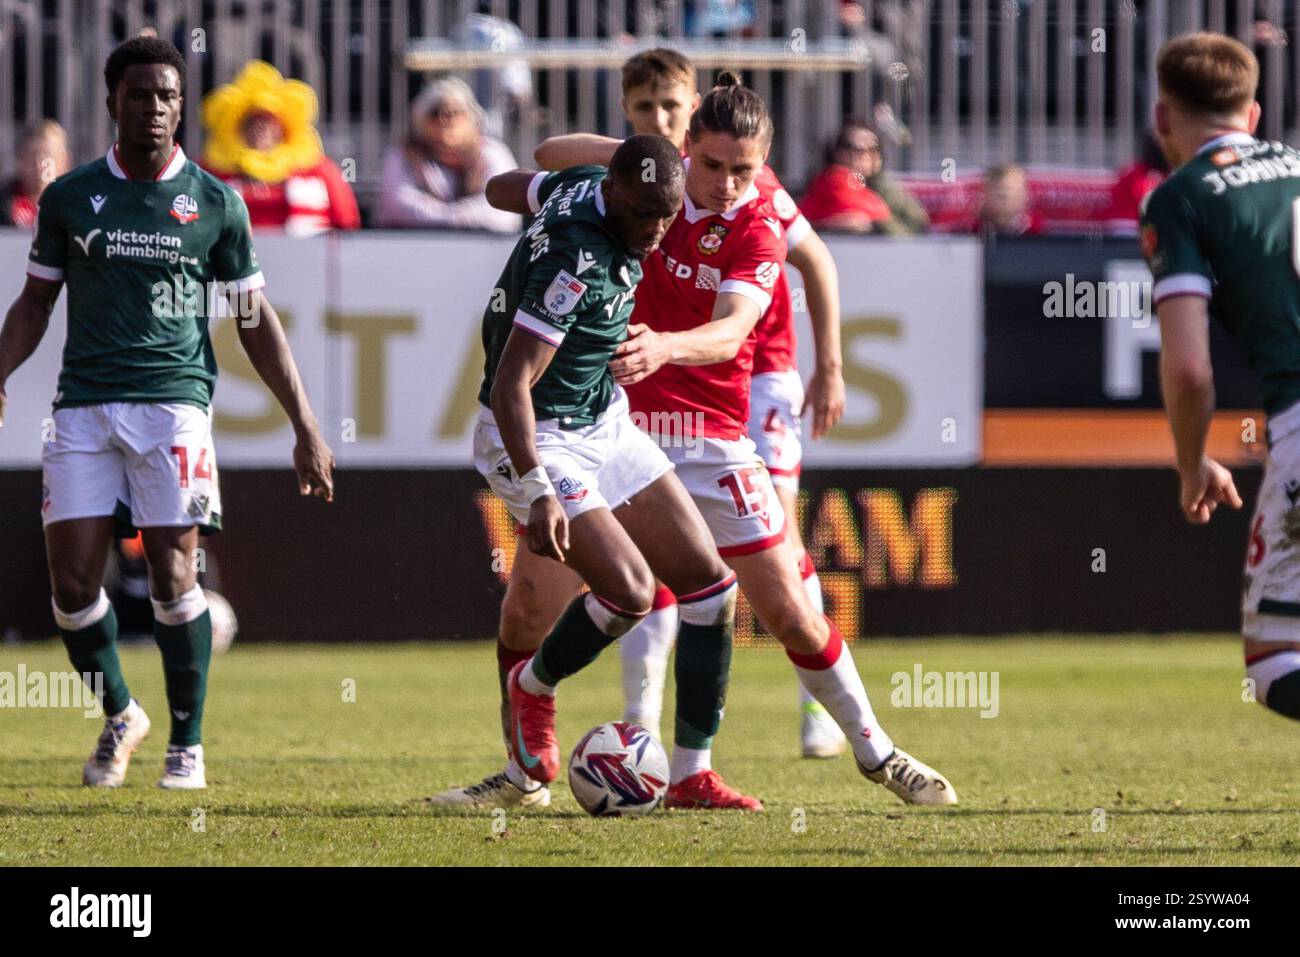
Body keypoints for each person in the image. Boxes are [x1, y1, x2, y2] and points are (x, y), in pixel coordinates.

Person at [435, 74, 957, 811]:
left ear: (765, 162)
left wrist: (669, 347)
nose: (723, 184)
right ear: (686, 152)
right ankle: (525, 770)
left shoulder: (757, 224)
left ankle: (860, 756)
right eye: (709, 167)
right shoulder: (643, 189)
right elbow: (538, 167)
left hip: (707, 433)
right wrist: (634, 161)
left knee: (776, 606)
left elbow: (733, 329)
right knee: (529, 607)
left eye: (743, 169)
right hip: (605, 419)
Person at [0, 37, 335, 789]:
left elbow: (254, 318)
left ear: (182, 106)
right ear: (113, 100)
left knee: (174, 572)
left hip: (174, 406)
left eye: (168, 96)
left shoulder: (216, 203)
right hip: (82, 408)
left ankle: (188, 744)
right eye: (141, 94)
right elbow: (34, 303)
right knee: (74, 585)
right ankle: (121, 711)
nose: (155, 108)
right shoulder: (70, 197)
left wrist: (305, 422)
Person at [467, 134, 757, 810]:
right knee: (630, 592)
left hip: (604, 418)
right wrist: (536, 486)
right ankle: (533, 686)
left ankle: (690, 774)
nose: (656, 233)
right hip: (538, 436)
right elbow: (513, 382)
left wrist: (532, 205)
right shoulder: (579, 261)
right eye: (643, 217)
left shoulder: (586, 180)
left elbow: (503, 188)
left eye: (667, 215)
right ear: (616, 194)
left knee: (711, 587)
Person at [1140, 31, 1300, 722]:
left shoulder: (1180, 199)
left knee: (1275, 663)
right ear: (1254, 114)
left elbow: (1189, 367)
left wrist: (1189, 460)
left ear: (1162, 117)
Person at [202, 61, 359, 235]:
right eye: (252, 121)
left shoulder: (321, 170)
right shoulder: (210, 172)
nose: (261, 128)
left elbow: (346, 222)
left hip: (305, 258)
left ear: (284, 126)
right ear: (237, 127)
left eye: (268, 121)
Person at [376, 76, 521, 233]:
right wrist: (455, 217)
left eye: (455, 112)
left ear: (472, 117)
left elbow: (503, 211)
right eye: (436, 112)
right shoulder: (404, 153)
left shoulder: (492, 152)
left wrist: (453, 216)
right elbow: (398, 208)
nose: (446, 119)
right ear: (420, 119)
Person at [2, 121, 71, 228]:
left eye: (48, 157)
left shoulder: (81, 205)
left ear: (64, 162)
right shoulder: (4, 203)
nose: (39, 166)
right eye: (32, 157)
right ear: (19, 161)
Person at [966, 163, 1044, 238]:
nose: (1008, 199)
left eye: (1015, 192)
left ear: (1025, 196)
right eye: (1001, 195)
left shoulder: (1039, 231)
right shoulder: (970, 232)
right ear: (986, 194)